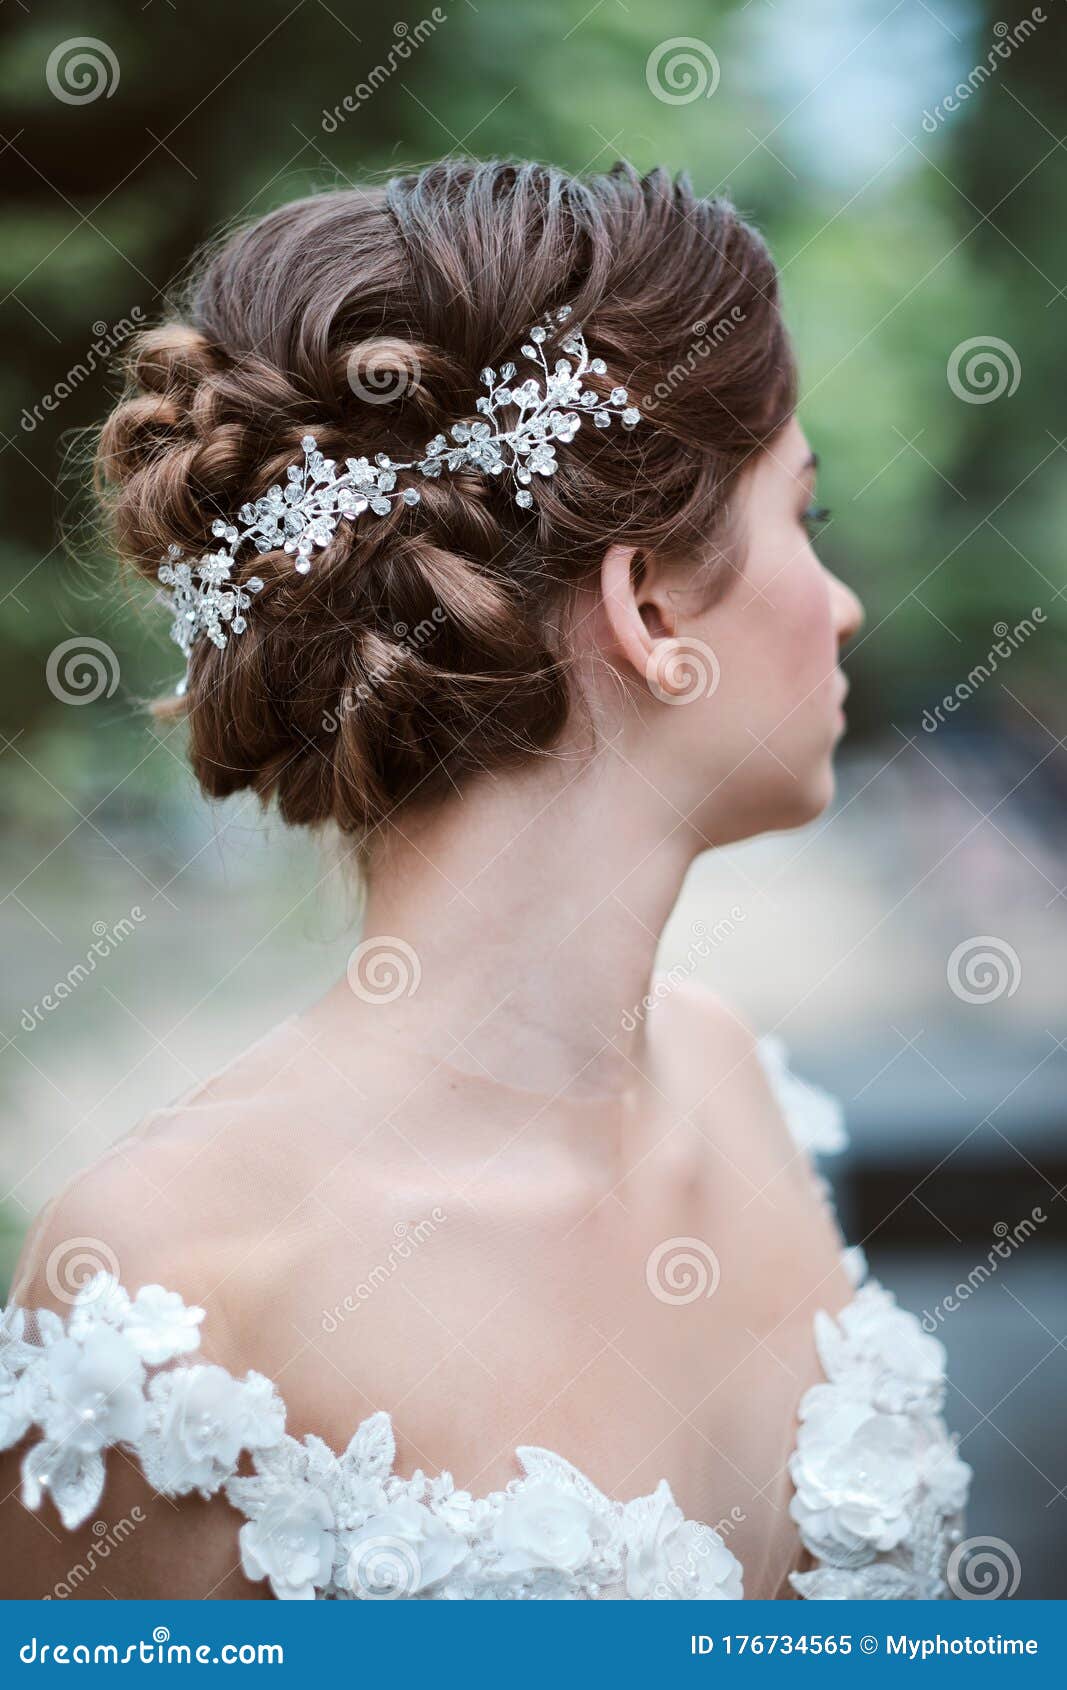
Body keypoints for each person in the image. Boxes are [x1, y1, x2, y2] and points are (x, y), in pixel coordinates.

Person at [0, 159, 970, 1601]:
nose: (841, 606)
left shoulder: (730, 1080)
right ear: (649, 606)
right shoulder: (167, 1284)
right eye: (805, 519)